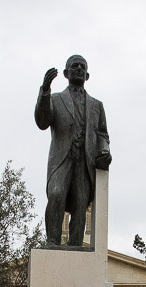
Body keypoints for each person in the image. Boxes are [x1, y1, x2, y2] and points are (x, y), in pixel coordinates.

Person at [35, 55, 111, 246]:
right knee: (56, 194)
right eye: (74, 66)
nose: (78, 69)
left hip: (85, 160)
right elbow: (42, 122)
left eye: (82, 67)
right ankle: (52, 241)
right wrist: (44, 91)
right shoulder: (55, 99)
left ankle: (76, 246)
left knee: (80, 203)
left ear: (87, 75)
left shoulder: (96, 105)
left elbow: (102, 134)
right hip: (61, 158)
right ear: (66, 73)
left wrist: (104, 150)